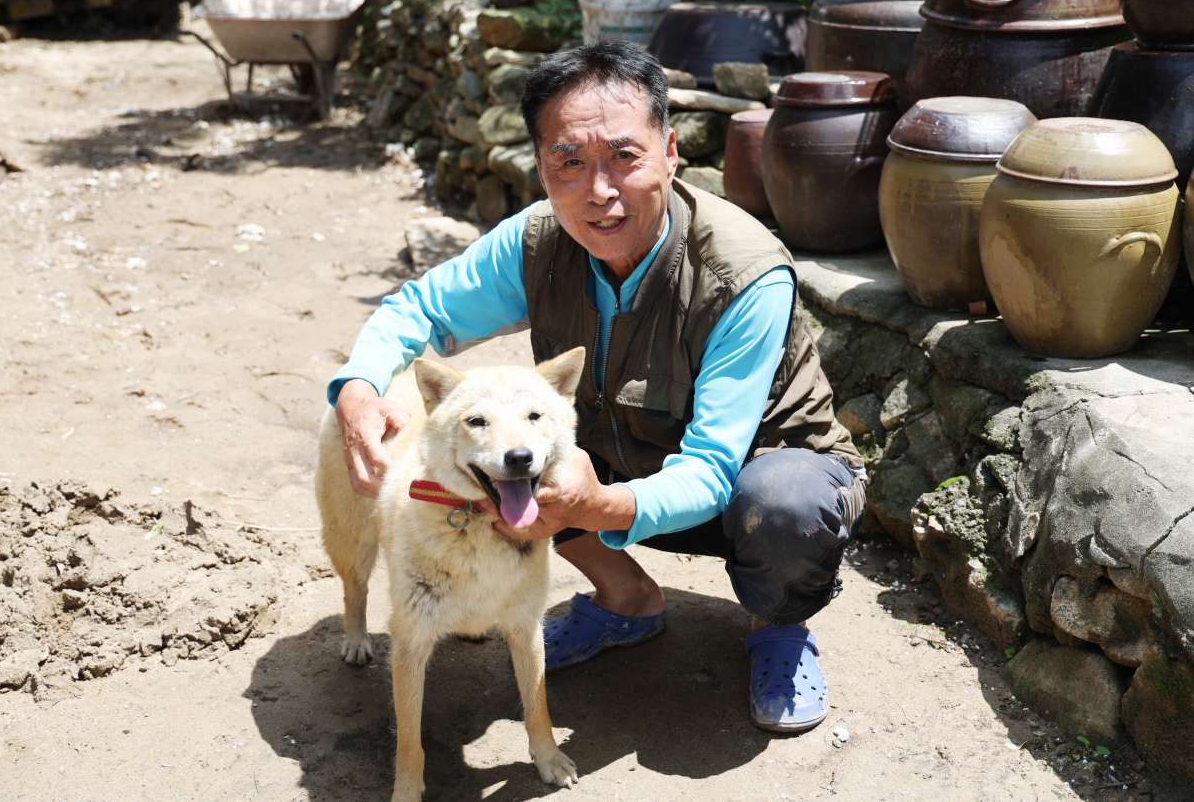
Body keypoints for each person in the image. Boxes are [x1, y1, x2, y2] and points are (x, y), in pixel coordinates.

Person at [330, 40, 866, 733]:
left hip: (750, 480)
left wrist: (600, 502)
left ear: (670, 151)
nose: (600, 191)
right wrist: (356, 387)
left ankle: (778, 626)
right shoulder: (536, 242)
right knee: (514, 449)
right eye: (570, 162)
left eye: (624, 156)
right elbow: (418, 311)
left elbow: (710, 468)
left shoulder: (745, 273)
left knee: (785, 504)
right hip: (626, 457)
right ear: (542, 166)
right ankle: (625, 598)